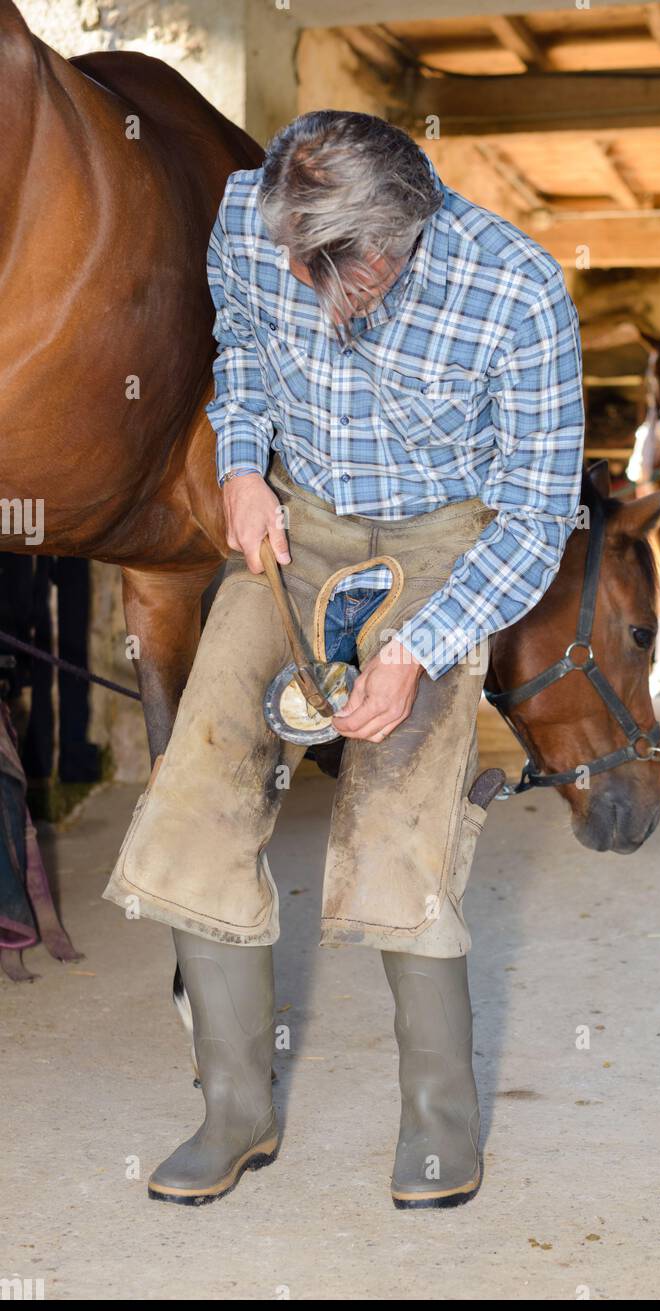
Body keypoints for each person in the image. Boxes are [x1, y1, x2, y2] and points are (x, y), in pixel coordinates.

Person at [103, 111, 584, 1208]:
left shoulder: (517, 292)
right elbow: (245, 348)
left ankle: (440, 1124)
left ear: (407, 229)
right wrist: (239, 463)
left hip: (442, 543)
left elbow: (534, 518)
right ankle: (234, 1110)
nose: (318, 297)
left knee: (398, 823)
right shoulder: (248, 212)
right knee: (193, 796)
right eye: (296, 267)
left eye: (348, 276)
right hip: (302, 523)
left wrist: (417, 648)